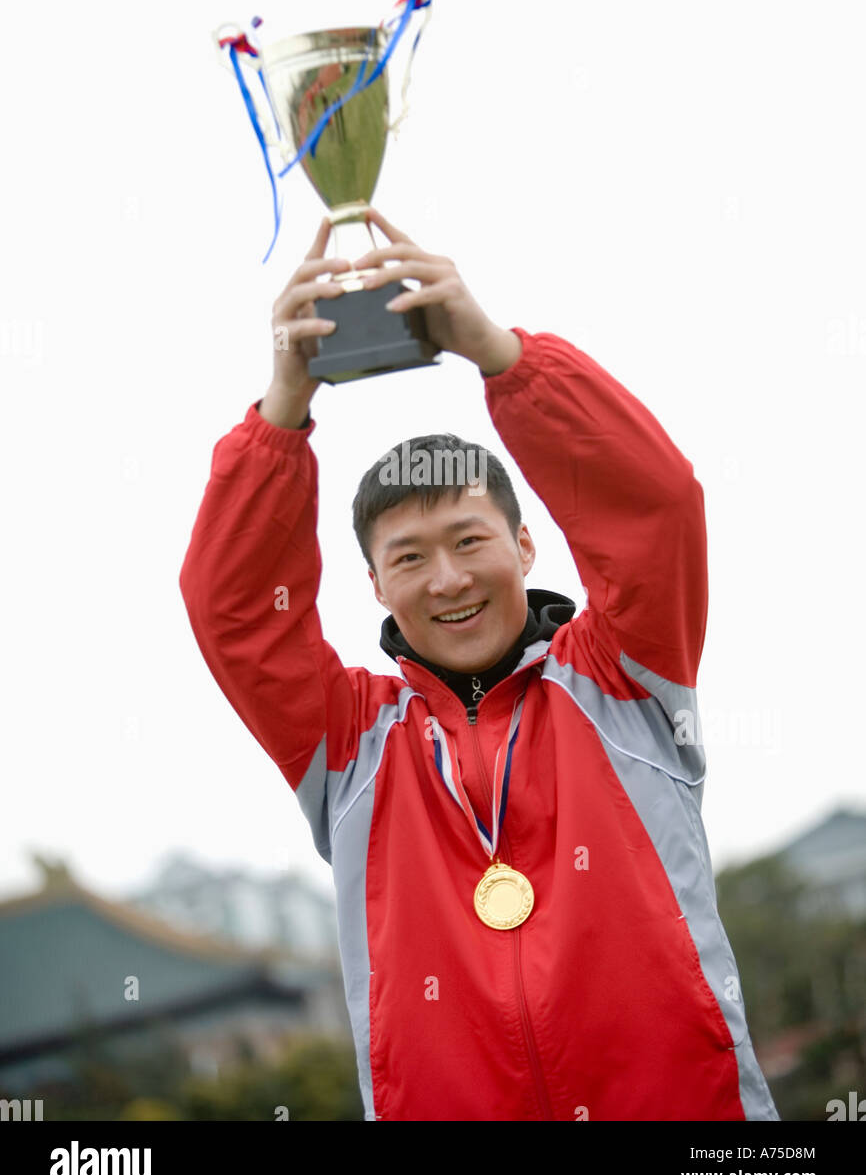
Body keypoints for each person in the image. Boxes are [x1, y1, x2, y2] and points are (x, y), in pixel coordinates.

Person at [179, 209, 780, 1122]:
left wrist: (498, 352)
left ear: (527, 546)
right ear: (376, 584)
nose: (449, 578)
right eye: (411, 557)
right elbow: (233, 613)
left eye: (470, 540)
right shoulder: (345, 745)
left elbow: (655, 506)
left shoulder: (624, 675)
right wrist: (283, 405)